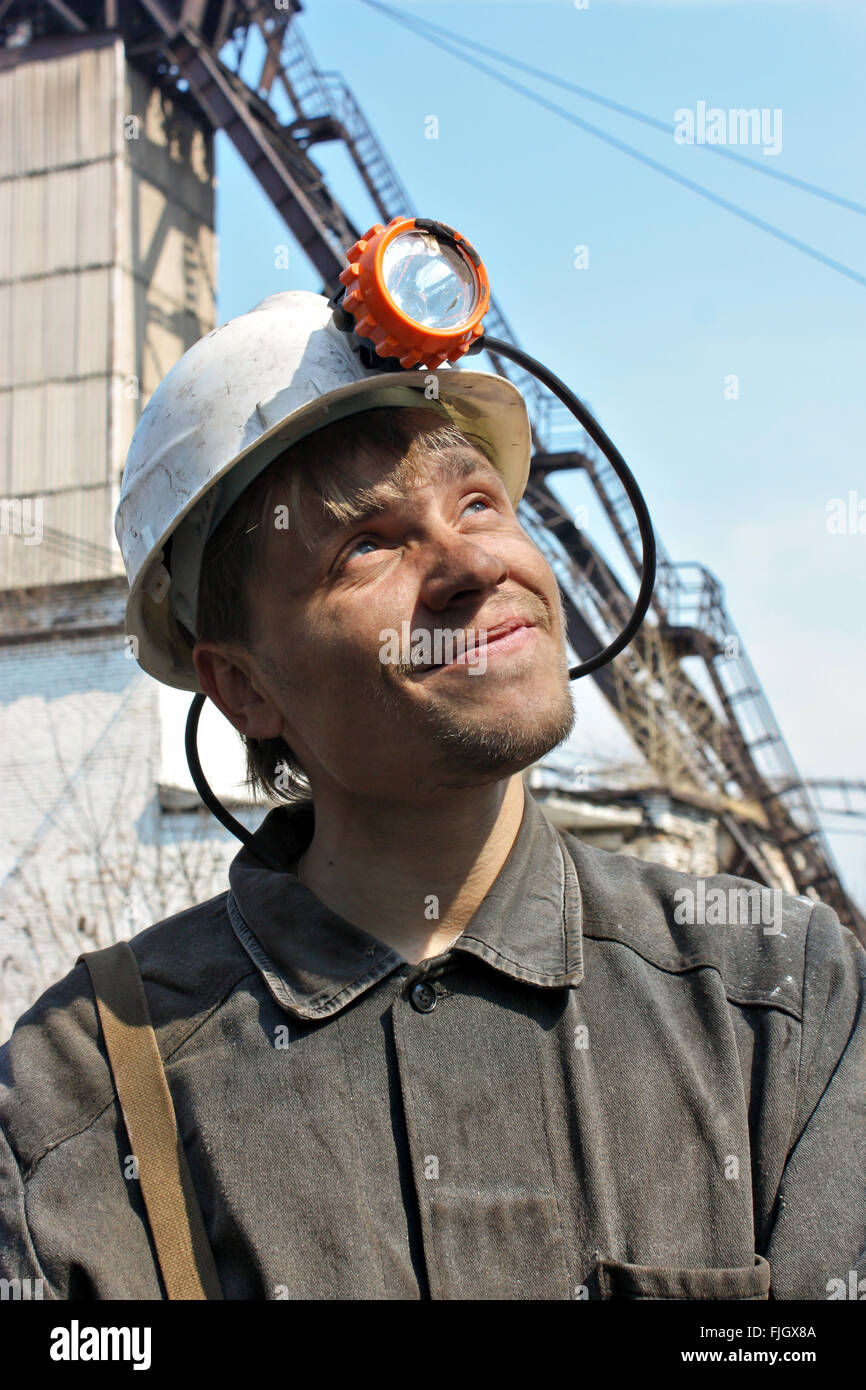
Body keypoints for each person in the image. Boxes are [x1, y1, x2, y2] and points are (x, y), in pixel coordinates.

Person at [0, 292, 863, 1301]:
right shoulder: (85, 1093)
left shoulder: (778, 1001)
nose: (469, 565)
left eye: (478, 502)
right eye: (366, 542)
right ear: (242, 685)